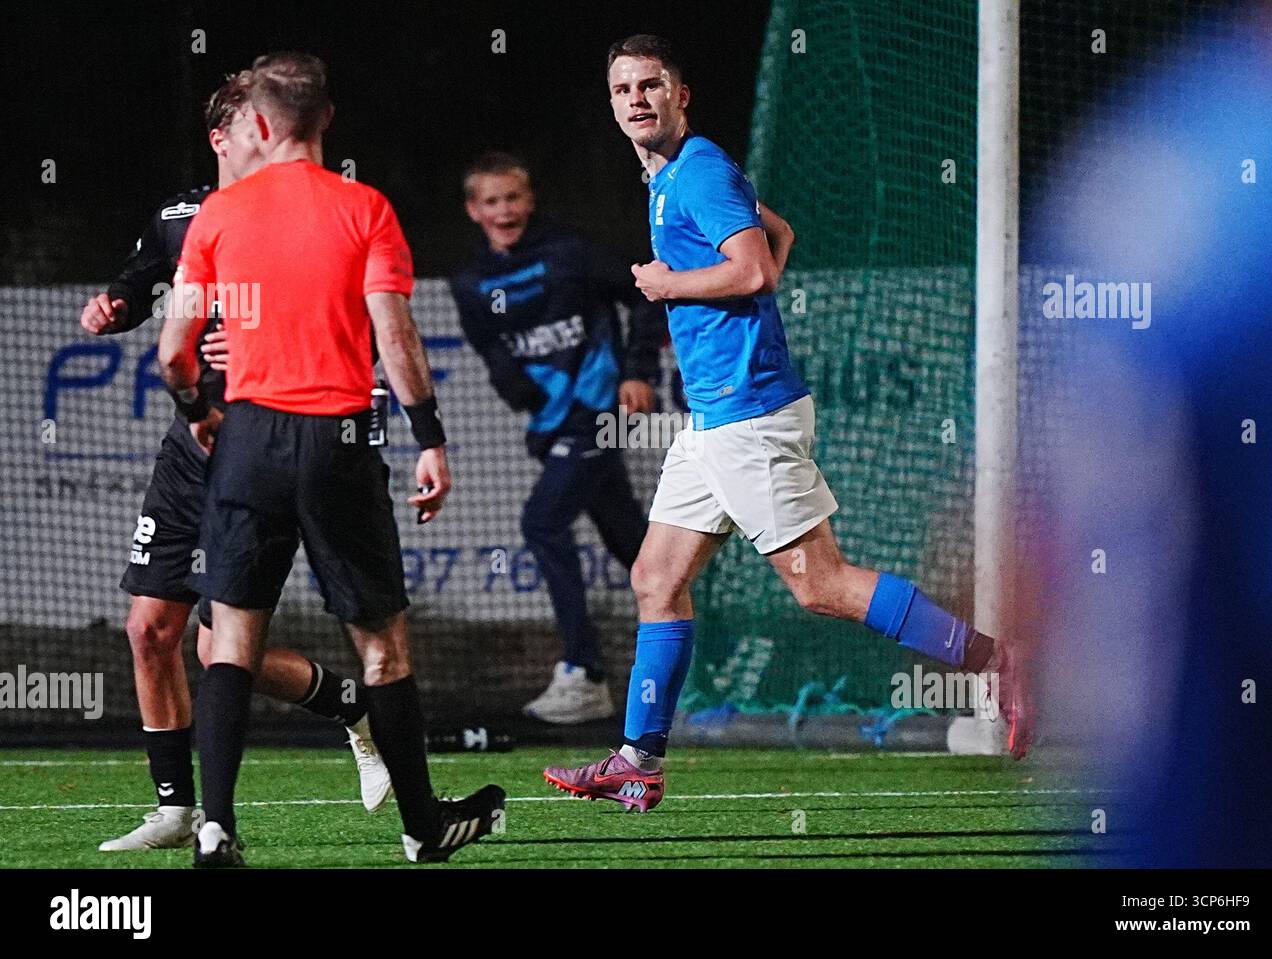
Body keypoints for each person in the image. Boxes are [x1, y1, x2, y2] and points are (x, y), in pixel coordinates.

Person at [543, 35, 1028, 812]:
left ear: (681, 94)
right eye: (622, 89)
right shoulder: (673, 174)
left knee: (820, 585)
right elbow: (781, 234)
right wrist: (717, 306)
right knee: (654, 577)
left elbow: (756, 266)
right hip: (714, 419)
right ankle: (639, 757)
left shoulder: (696, 170)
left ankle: (998, 662)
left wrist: (672, 285)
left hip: (749, 414)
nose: (635, 99)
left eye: (650, 85)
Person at [159, 52, 504, 867]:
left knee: (230, 642)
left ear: (263, 124)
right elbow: (396, 335)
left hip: (247, 438)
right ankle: (422, 826)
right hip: (340, 442)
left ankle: (215, 827)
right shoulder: (366, 208)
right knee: (382, 646)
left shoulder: (218, 215)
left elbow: (175, 349)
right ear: (326, 120)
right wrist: (431, 438)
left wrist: (203, 413)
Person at [80, 71, 392, 853]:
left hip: (263, 443)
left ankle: (352, 706)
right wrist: (114, 307)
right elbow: (141, 285)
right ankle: (176, 809)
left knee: (222, 644)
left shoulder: (311, 213)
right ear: (229, 137)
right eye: (257, 126)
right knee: (150, 628)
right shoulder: (186, 218)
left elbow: (345, 313)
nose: (273, 138)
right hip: (192, 446)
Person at [450, 151, 665, 723]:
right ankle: (700, 641)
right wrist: (516, 388)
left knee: (541, 522)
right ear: (474, 210)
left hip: (599, 413)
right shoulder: (470, 282)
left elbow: (646, 293)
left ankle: (584, 670)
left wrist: (637, 371)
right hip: (551, 424)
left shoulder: (571, 254)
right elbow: (492, 349)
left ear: (530, 200)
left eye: (513, 197)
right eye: (491, 201)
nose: (504, 210)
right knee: (634, 544)